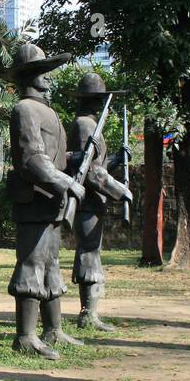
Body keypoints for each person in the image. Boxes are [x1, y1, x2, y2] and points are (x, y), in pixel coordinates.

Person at [2, 43, 86, 360]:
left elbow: (54, 157)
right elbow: (32, 160)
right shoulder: (25, 109)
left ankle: (53, 329)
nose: (48, 78)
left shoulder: (46, 111)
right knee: (31, 265)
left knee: (51, 265)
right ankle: (25, 336)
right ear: (31, 76)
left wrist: (76, 160)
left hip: (51, 200)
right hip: (34, 198)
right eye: (43, 73)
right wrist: (65, 182)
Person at [66, 72, 132, 331]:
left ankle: (91, 311)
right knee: (88, 254)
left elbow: (96, 164)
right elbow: (90, 171)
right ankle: (87, 314)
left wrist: (116, 159)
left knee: (93, 252)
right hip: (87, 201)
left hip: (94, 201)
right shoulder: (84, 125)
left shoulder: (90, 125)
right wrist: (120, 190)